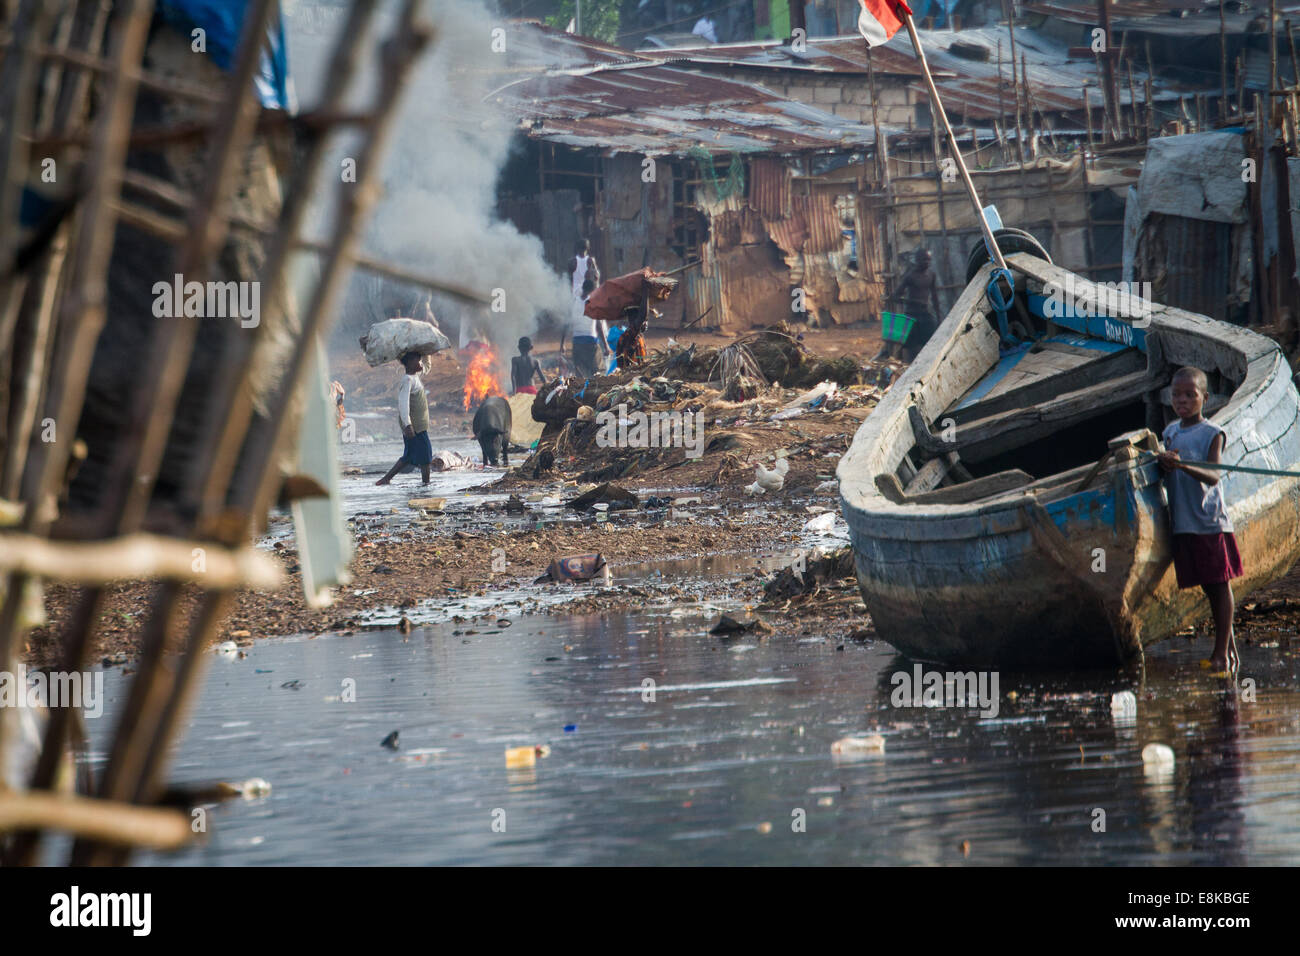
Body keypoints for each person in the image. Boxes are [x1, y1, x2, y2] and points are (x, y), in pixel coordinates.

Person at [1157, 366, 1243, 673]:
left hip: (1209, 521)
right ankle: (1229, 649)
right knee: (1208, 587)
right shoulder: (1169, 432)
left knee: (1220, 586)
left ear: (1204, 398)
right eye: (1176, 395)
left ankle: (1220, 653)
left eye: (1189, 395)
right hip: (1183, 522)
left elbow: (1213, 475)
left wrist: (1180, 466)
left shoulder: (1211, 433)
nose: (1182, 400)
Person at [376, 351, 432, 486]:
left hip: (417, 426)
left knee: (408, 456)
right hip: (415, 427)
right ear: (408, 363)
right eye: (416, 361)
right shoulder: (407, 380)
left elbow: (427, 365)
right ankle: (426, 485)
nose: (420, 363)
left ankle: (386, 479)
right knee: (426, 456)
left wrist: (426, 351)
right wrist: (408, 425)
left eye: (419, 360)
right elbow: (403, 404)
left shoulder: (415, 376)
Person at [881, 249, 942, 362]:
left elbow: (934, 295)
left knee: (931, 341)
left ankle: (927, 364)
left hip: (925, 313)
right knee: (911, 346)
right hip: (911, 315)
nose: (927, 262)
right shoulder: (910, 276)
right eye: (924, 260)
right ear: (917, 261)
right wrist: (910, 301)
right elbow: (896, 296)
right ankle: (909, 365)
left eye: (928, 260)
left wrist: (938, 315)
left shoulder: (931, 275)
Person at [570, 277, 609, 378]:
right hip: (590, 341)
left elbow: (568, 322)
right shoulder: (592, 303)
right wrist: (606, 346)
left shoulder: (574, 301)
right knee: (597, 371)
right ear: (592, 290)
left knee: (580, 372)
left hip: (576, 341)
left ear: (583, 288)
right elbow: (599, 326)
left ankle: (581, 392)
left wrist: (562, 345)